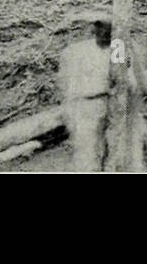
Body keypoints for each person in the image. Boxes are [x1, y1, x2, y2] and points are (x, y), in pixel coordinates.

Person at [59, 10, 114, 171]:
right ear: (94, 28)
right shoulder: (78, 51)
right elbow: (68, 85)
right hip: (86, 105)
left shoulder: (117, 49)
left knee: (110, 152)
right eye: (100, 27)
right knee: (87, 152)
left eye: (109, 29)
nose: (105, 32)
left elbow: (124, 77)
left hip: (110, 103)